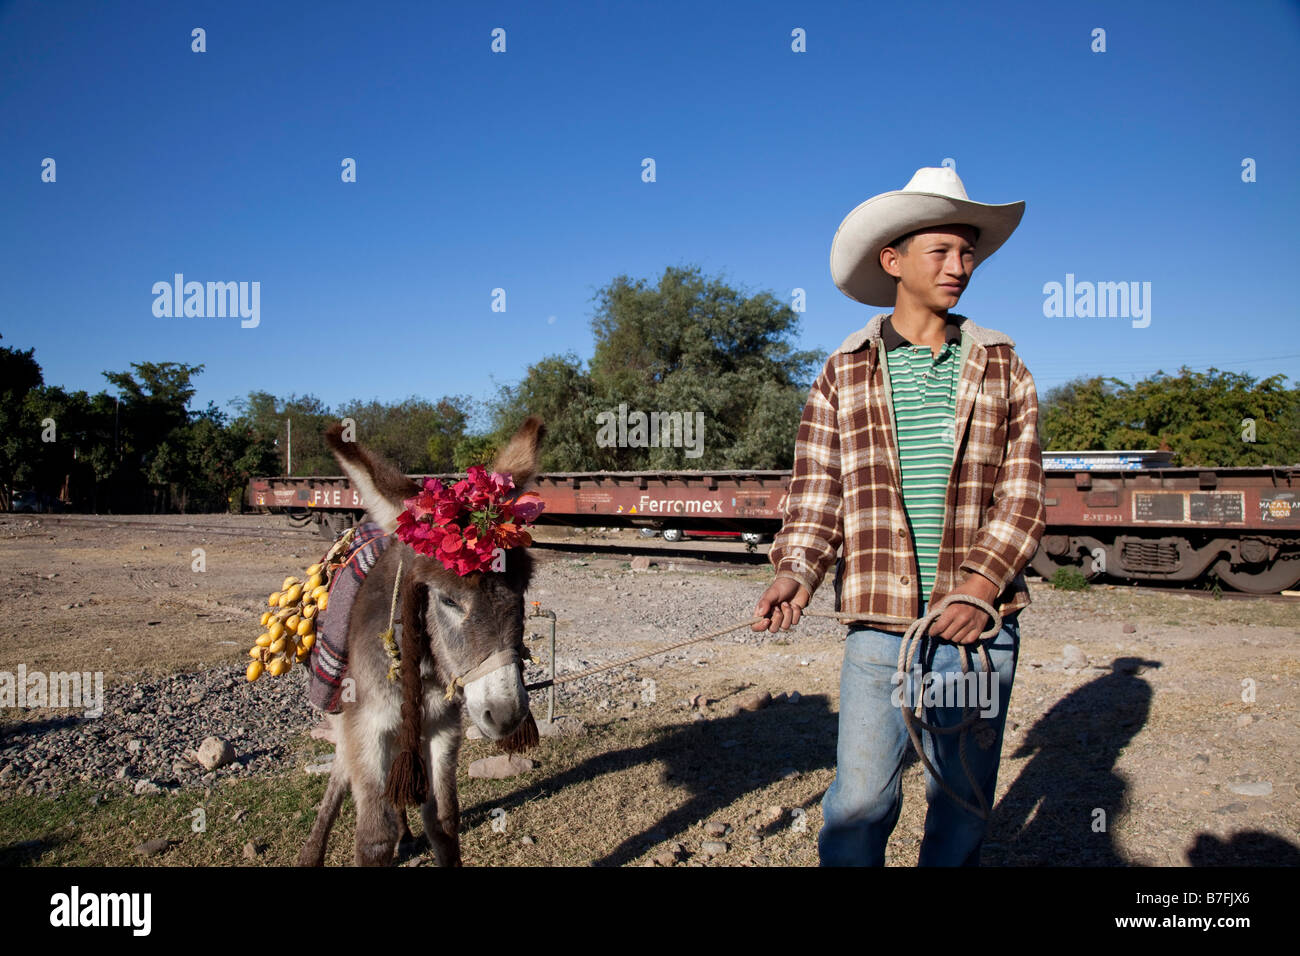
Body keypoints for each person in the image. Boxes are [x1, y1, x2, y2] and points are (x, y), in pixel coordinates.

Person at [753, 166, 1046, 866]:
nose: (960, 266)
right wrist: (795, 574)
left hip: (979, 630)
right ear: (893, 260)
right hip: (880, 629)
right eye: (940, 251)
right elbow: (818, 491)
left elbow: (1024, 492)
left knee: (961, 808)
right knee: (859, 804)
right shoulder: (843, 370)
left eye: (967, 252)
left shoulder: (1001, 364)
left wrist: (979, 588)